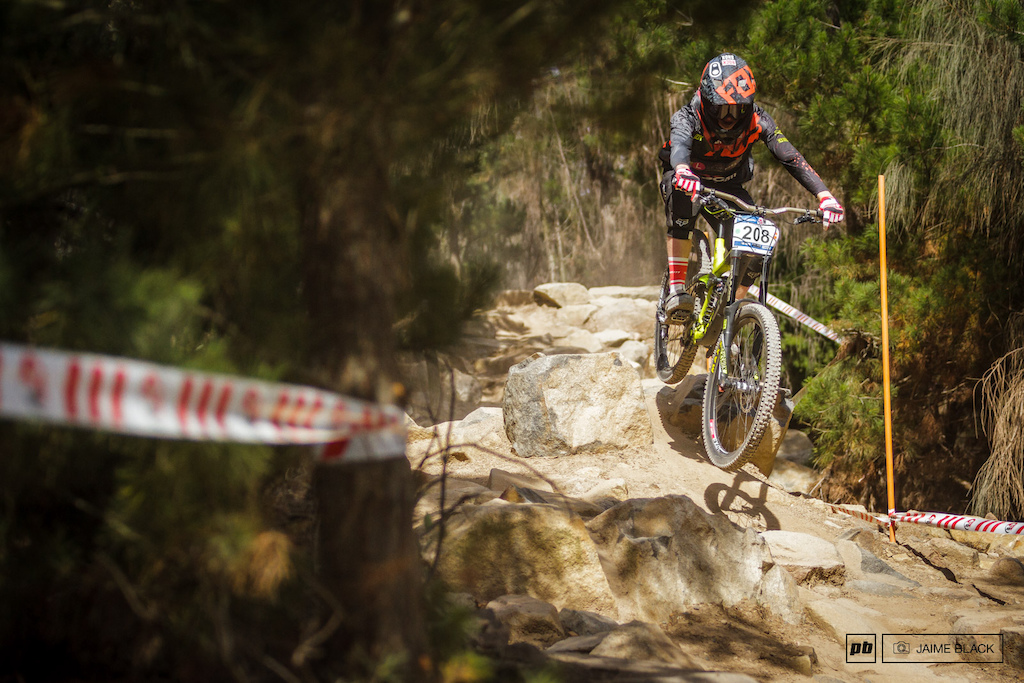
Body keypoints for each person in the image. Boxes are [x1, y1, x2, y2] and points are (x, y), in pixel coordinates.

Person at [659, 52, 844, 321]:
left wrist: (824, 195)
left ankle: (730, 313)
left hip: (729, 185)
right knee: (682, 202)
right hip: (688, 179)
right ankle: (676, 288)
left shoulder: (759, 120)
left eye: (737, 108)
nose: (729, 117)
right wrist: (683, 169)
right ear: (708, 102)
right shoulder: (687, 116)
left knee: (760, 239)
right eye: (722, 108)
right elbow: (680, 147)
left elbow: (790, 156)